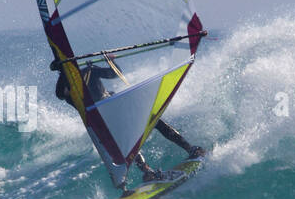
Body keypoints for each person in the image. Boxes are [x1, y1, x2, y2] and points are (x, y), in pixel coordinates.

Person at [55, 63, 205, 182]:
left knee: (154, 120)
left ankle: (190, 148)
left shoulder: (89, 71)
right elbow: (60, 94)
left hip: (117, 105)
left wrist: (110, 60)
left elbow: (114, 73)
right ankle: (147, 171)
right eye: (63, 72)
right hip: (102, 119)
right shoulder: (68, 92)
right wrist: (63, 70)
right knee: (125, 142)